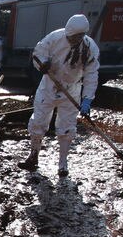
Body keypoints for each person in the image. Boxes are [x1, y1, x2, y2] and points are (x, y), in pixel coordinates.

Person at [18, 14, 100, 177]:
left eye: (77, 37)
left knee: (67, 128)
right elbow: (38, 53)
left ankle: (63, 164)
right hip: (49, 85)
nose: (73, 40)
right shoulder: (54, 38)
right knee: (38, 121)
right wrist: (42, 64)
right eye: (71, 37)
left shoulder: (90, 48)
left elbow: (91, 74)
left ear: (83, 35)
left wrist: (87, 99)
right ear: (67, 33)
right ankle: (33, 156)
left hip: (72, 89)